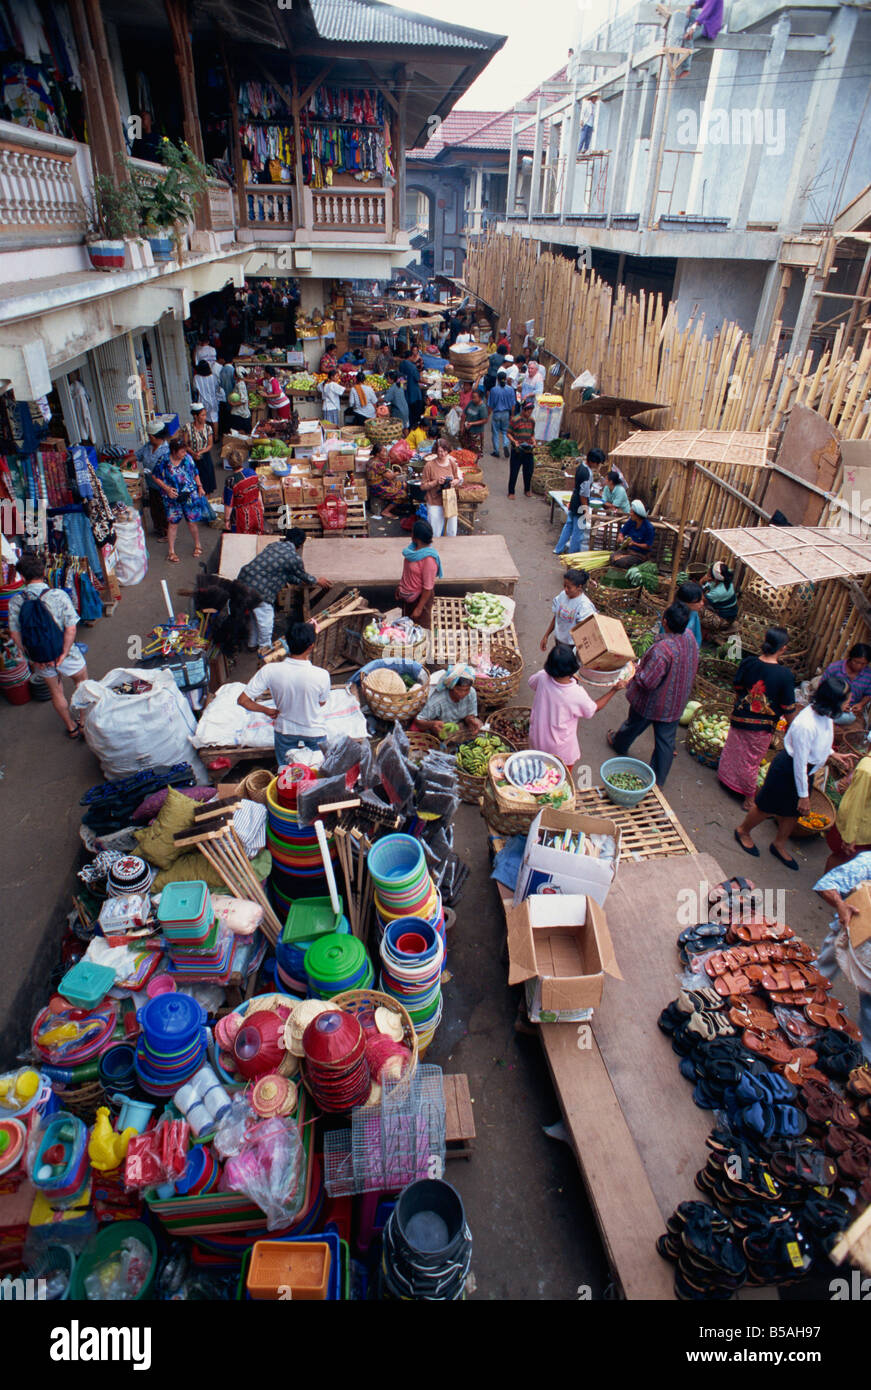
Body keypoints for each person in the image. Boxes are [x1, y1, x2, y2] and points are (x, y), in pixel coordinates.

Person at [735, 674, 851, 870]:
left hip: (805, 770)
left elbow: (819, 742)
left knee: (793, 811)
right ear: (834, 701)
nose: (850, 702)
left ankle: (779, 843)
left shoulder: (826, 716)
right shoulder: (805, 724)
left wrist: (832, 754)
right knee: (766, 806)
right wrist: (804, 796)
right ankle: (743, 830)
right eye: (847, 699)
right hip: (788, 770)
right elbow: (799, 762)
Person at [607, 600, 700, 786]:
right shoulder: (689, 637)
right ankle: (657, 781)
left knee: (634, 723)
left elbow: (648, 682)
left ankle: (619, 743)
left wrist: (634, 671)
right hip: (677, 701)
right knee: (665, 742)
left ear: (664, 622)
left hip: (653, 702)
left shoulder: (661, 651)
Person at [8, 552, 88, 740]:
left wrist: (32, 657)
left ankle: (71, 728)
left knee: (56, 692)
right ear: (43, 571)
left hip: (41, 658)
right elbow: (70, 629)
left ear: (22, 576)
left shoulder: (16, 602)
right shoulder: (58, 595)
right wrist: (64, 653)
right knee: (82, 682)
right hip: (66, 653)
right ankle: (84, 723)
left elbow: (15, 634)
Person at [717, 626, 796, 810]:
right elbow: (788, 707)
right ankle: (749, 798)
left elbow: (737, 687)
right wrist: (793, 725)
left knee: (733, 750)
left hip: (739, 717)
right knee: (751, 761)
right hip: (760, 728)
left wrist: (736, 709)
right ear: (783, 648)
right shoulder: (784, 676)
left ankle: (725, 778)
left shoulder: (749, 662)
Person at [529, 643, 626, 780]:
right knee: (559, 780)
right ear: (573, 667)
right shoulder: (576, 693)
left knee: (539, 777)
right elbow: (593, 708)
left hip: (537, 740)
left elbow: (531, 683)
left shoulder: (543, 677)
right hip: (560, 751)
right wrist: (613, 690)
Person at [238, 621, 331, 764]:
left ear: (287, 643)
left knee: (286, 773)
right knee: (318, 771)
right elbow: (321, 702)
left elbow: (243, 700)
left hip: (285, 730)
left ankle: (286, 783)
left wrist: (266, 710)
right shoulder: (322, 675)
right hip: (314, 731)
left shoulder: (270, 670)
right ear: (311, 647)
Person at [812, 851, 871, 1061]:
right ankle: (799, 1013)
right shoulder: (868, 862)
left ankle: (862, 1062)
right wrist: (841, 904)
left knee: (870, 1012)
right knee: (817, 978)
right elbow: (827, 884)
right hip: (846, 937)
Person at [237, 530, 330, 651]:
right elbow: (304, 576)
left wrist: (298, 581)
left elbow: (284, 573)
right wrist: (317, 581)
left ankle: (252, 644)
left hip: (242, 583)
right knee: (265, 621)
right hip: (260, 591)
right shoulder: (293, 557)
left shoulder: (273, 546)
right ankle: (264, 649)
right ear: (301, 544)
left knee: (253, 617)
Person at [152, 434, 207, 562]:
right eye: (181, 451)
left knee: (192, 521)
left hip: (189, 495)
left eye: (185, 450)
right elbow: (155, 476)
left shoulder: (188, 459)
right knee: (173, 523)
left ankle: (198, 545)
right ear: (173, 451)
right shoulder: (164, 460)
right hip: (172, 496)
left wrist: (200, 487)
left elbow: (195, 473)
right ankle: (171, 552)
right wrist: (167, 489)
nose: (184, 452)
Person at [824, 756, 871, 871]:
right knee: (841, 859)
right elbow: (855, 805)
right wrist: (849, 837)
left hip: (866, 829)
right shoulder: (866, 770)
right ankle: (825, 887)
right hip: (858, 830)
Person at [554, 448, 604, 555]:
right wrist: (586, 511)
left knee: (568, 525)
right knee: (578, 532)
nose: (598, 465)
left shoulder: (581, 466)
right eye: (597, 463)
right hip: (580, 504)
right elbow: (583, 494)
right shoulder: (588, 474)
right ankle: (573, 554)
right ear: (592, 461)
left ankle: (558, 548)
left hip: (574, 500)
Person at [415, 665, 482, 741]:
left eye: (466, 690)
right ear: (452, 687)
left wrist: (470, 720)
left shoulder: (471, 693)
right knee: (448, 738)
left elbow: (469, 715)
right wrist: (433, 724)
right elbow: (418, 721)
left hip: (460, 724)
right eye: (459, 689)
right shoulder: (438, 700)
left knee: (479, 727)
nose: (462, 693)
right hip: (444, 728)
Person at [396, 518, 441, 628]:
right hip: (408, 596)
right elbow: (407, 571)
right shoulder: (412, 551)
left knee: (421, 630)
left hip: (420, 600)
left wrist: (419, 608)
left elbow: (428, 588)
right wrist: (401, 587)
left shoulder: (429, 560)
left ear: (415, 537)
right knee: (406, 626)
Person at [541, 569, 596, 651]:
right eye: (564, 586)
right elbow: (556, 616)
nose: (566, 589)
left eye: (569, 587)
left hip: (572, 645)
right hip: (559, 640)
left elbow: (586, 630)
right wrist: (546, 635)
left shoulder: (584, 606)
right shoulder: (562, 595)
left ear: (579, 587)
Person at [134, 424, 170, 540]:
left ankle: (167, 532)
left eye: (150, 436)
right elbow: (137, 455)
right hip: (151, 484)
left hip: (163, 485)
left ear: (155, 437)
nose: (149, 438)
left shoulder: (166, 451)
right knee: (155, 507)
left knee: (163, 509)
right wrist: (126, 461)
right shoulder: (148, 447)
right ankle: (159, 528)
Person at [421, 436, 460, 538]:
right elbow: (423, 486)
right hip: (435, 502)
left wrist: (452, 482)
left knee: (452, 531)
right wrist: (436, 482)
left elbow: (457, 478)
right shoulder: (429, 466)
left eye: (444, 451)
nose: (442, 454)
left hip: (449, 500)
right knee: (435, 532)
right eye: (440, 452)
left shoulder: (451, 463)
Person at [823, 643, 871, 723]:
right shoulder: (834, 668)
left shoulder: (868, 675)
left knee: (849, 719)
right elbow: (821, 690)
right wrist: (838, 705)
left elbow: (868, 694)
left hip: (850, 710)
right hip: (830, 705)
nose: (859, 666)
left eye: (863, 664)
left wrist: (861, 704)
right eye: (856, 662)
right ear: (851, 658)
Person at [223, 449, 264, 534]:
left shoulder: (231, 481)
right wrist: (262, 506)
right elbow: (257, 491)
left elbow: (229, 504)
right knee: (257, 538)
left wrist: (227, 520)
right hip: (256, 509)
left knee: (243, 540)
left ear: (230, 463)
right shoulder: (252, 472)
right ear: (242, 459)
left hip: (242, 515)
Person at [611, 499, 655, 568]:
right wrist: (620, 536)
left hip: (639, 555)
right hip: (628, 551)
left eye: (631, 512)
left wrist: (634, 543)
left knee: (621, 562)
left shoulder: (648, 527)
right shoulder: (631, 521)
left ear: (637, 515)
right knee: (612, 557)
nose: (630, 514)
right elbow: (623, 531)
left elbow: (648, 545)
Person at [185, 401, 216, 496]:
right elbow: (185, 444)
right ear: (195, 416)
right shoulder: (187, 428)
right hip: (192, 459)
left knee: (207, 485)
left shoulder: (208, 428)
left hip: (205, 458)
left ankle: (207, 504)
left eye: (205, 415)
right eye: (202, 415)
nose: (204, 417)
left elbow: (210, 445)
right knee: (195, 484)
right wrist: (193, 453)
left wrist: (201, 452)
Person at [507, 397, 536, 499]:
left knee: (529, 471)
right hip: (517, 450)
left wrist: (534, 441)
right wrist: (514, 441)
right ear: (523, 410)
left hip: (528, 449)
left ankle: (527, 490)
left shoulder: (532, 421)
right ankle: (511, 492)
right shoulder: (515, 420)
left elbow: (532, 434)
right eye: (528, 411)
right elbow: (508, 433)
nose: (530, 413)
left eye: (531, 411)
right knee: (514, 471)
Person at [366, 443, 405, 517]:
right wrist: (396, 473)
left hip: (376, 485)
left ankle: (394, 506)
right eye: (383, 451)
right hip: (378, 488)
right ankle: (385, 511)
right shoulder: (379, 464)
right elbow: (390, 477)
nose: (385, 453)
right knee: (403, 494)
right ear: (377, 454)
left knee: (401, 485)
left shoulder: (370, 461)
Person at [660, 581, 704, 647]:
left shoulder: (694, 614)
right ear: (684, 603)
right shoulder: (672, 615)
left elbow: (698, 636)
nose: (702, 604)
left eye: (701, 600)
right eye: (697, 602)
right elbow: (663, 635)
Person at [488, 373, 515, 459]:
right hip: (506, 413)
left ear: (497, 379)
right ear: (506, 379)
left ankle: (496, 451)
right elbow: (513, 404)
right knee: (505, 431)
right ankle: (505, 444)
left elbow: (490, 405)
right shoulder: (510, 390)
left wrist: (488, 415)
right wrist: (512, 415)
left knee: (495, 432)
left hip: (496, 413)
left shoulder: (493, 390)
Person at [399, 349, 424, 428]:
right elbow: (417, 378)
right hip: (414, 392)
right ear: (410, 357)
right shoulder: (412, 366)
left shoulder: (401, 365)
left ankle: (409, 426)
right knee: (415, 413)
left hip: (406, 391)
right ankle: (415, 427)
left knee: (409, 412)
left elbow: (401, 378)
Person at [460, 388, 488, 455]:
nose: (473, 399)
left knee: (475, 453)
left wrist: (472, 423)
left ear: (480, 398)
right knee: (466, 450)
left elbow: (485, 420)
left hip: (476, 433)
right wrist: (462, 426)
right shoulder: (471, 403)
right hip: (467, 431)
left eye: (475, 398)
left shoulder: (482, 407)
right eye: (472, 397)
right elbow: (464, 414)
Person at [214, 354, 235, 439]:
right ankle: (230, 432)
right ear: (232, 361)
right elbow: (234, 384)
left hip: (223, 397)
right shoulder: (233, 370)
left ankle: (225, 431)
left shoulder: (221, 370)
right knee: (231, 415)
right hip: (232, 396)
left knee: (225, 415)